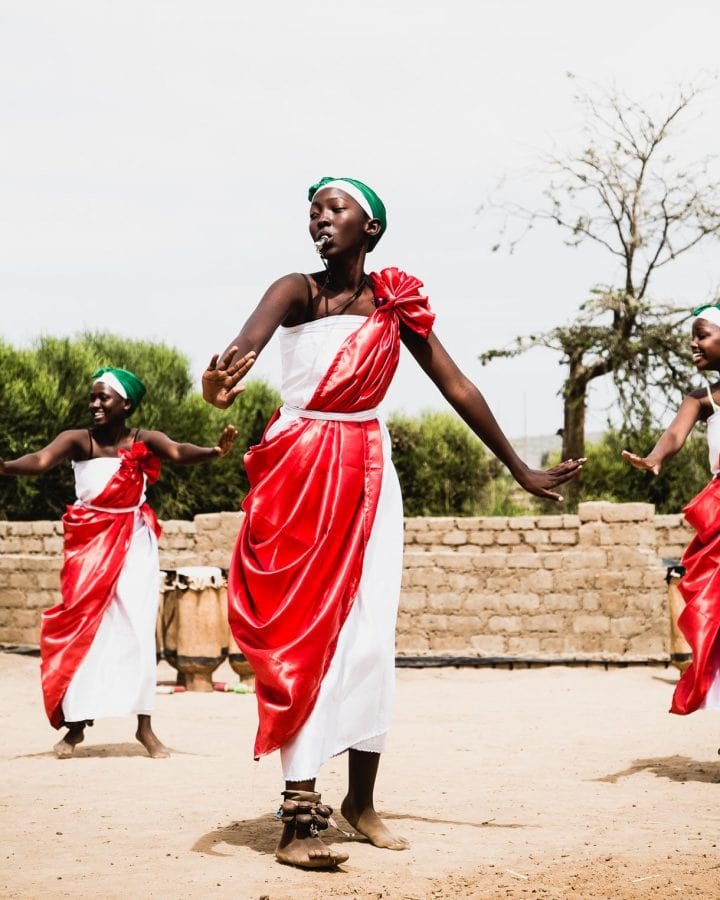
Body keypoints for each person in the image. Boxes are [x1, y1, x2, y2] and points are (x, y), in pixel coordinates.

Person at [201, 176, 584, 869]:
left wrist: (519, 470)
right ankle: (298, 817)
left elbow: (457, 385)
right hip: (302, 468)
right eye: (313, 209)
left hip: (370, 473)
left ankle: (361, 801)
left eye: (335, 207)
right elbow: (244, 347)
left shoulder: (393, 304)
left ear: (370, 227)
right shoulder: (296, 290)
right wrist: (219, 381)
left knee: (372, 636)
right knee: (308, 634)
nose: (320, 217)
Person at [0, 366, 239, 759]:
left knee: (138, 630)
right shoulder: (78, 440)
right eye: (92, 397)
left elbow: (178, 451)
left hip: (134, 544)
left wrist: (215, 452)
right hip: (88, 544)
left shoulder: (144, 439)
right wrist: (7, 467)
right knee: (84, 628)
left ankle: (145, 728)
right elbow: (41, 460)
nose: (94, 404)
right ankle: (75, 727)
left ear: (125, 404)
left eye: (103, 398)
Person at [623, 303, 720, 717]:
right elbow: (675, 433)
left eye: (703, 334)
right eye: (692, 338)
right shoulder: (703, 399)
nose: (694, 344)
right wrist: (656, 456)